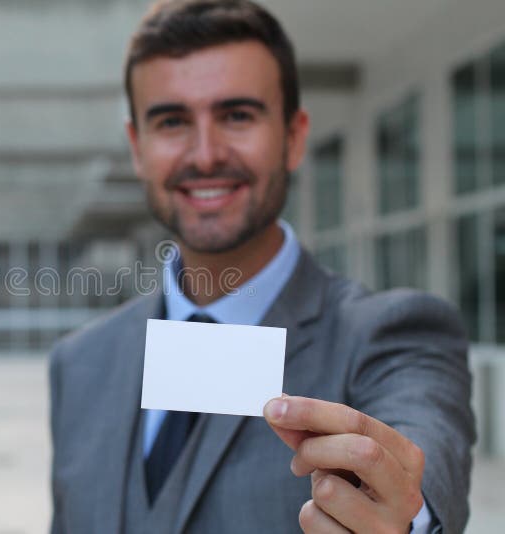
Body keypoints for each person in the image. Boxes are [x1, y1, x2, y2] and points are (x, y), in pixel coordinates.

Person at [48, 1, 475, 532]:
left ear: (294, 137)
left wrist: (403, 515)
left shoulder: (391, 336)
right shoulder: (79, 363)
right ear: (138, 148)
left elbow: (422, 457)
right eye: (172, 121)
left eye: (237, 116)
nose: (205, 155)